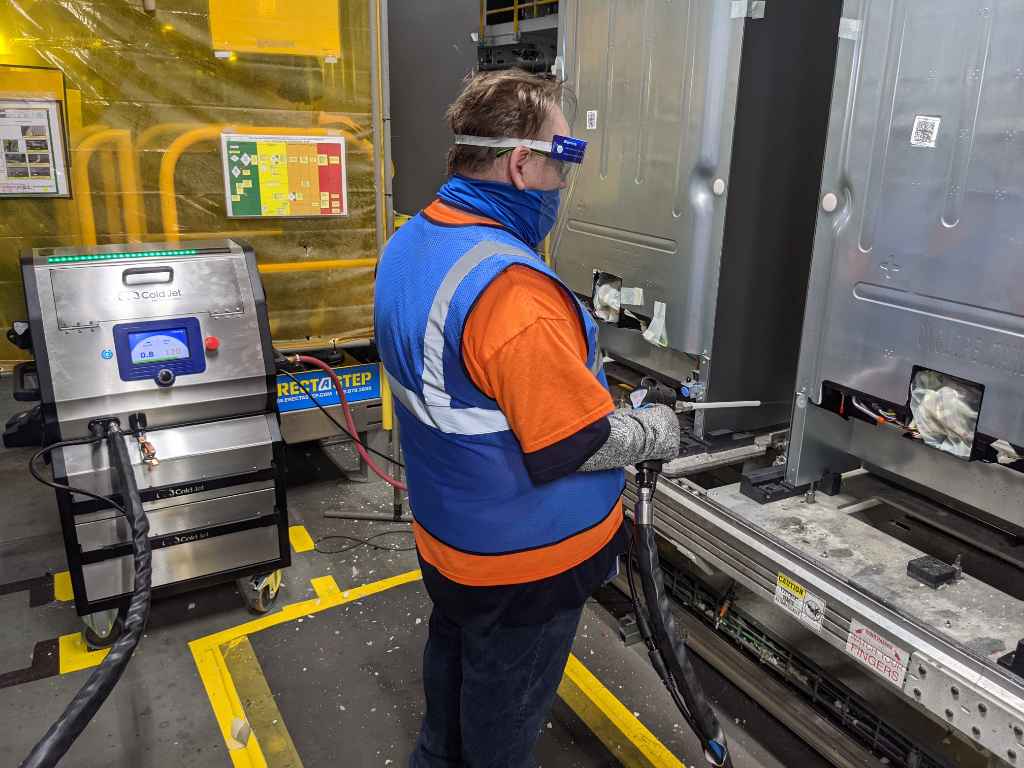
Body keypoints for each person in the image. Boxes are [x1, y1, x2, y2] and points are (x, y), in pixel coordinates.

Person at [374, 69, 680, 768]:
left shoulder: (412, 242)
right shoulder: (512, 291)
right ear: (521, 164)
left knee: (451, 683)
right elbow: (576, 443)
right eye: (562, 162)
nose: (563, 184)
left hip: (452, 541)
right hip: (523, 565)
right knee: (502, 725)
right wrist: (652, 430)